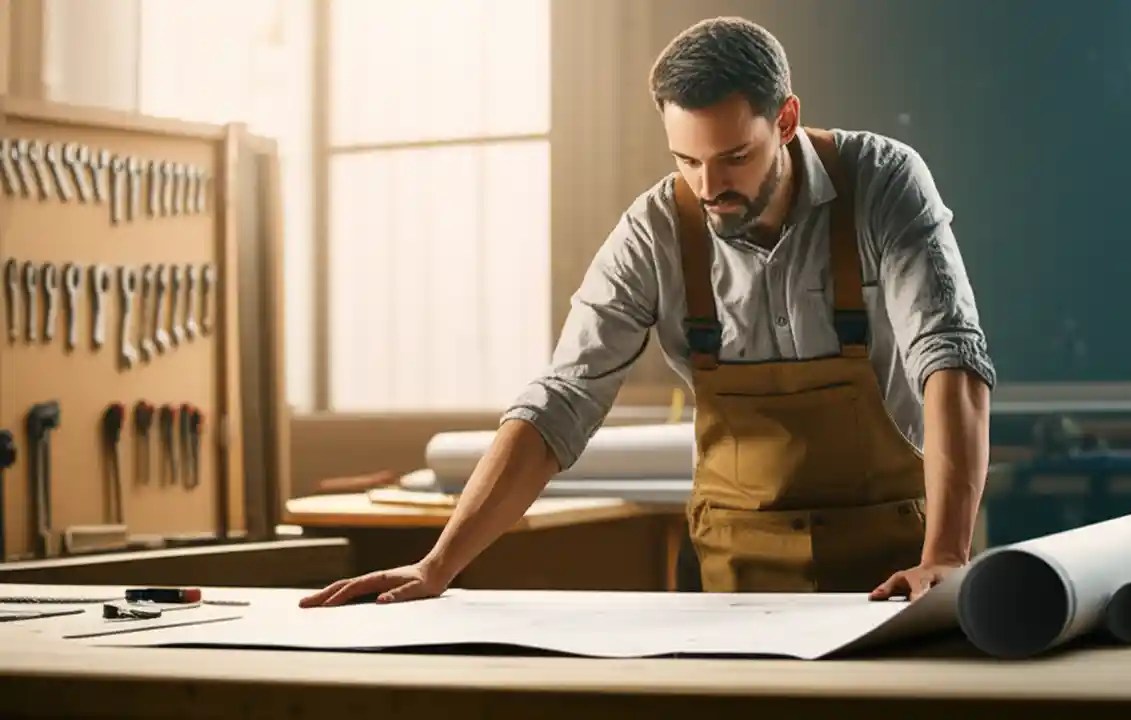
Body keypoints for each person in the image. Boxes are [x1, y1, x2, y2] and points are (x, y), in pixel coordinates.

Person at [301, 16, 994, 608]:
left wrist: (946, 556)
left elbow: (949, 356)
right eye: (687, 160)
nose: (709, 186)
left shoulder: (882, 180)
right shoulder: (655, 231)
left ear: (784, 119)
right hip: (740, 580)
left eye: (734, 158)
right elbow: (559, 401)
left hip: (904, 560)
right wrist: (437, 565)